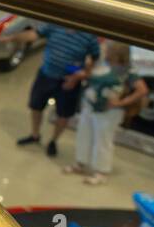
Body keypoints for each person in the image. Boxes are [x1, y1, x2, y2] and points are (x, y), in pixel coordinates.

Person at [11, 23, 101, 157]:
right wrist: (11, 38)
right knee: (36, 106)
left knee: (63, 114)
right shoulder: (54, 24)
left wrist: (80, 75)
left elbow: (95, 58)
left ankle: (53, 140)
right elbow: (35, 34)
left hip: (69, 82)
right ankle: (35, 134)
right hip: (46, 75)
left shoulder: (89, 36)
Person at [63, 42, 147, 185]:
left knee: (103, 140)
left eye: (108, 49)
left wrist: (121, 103)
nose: (104, 50)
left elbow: (142, 90)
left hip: (109, 111)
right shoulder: (99, 63)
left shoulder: (127, 70)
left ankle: (101, 172)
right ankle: (80, 163)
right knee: (84, 134)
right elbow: (84, 74)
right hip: (89, 105)